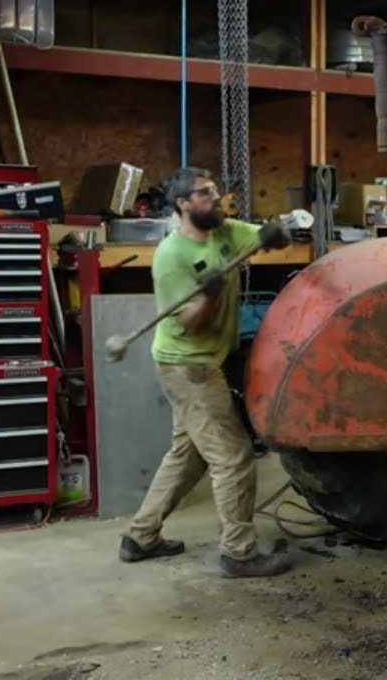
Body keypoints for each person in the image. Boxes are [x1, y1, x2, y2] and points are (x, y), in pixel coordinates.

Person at [118, 166, 291, 578]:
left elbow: (270, 240)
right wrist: (210, 294)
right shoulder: (172, 256)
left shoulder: (224, 230)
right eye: (204, 193)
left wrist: (276, 234)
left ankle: (140, 537)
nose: (215, 197)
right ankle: (239, 554)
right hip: (188, 365)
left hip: (207, 359)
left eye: (214, 190)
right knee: (233, 457)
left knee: (188, 456)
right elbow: (192, 323)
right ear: (183, 204)